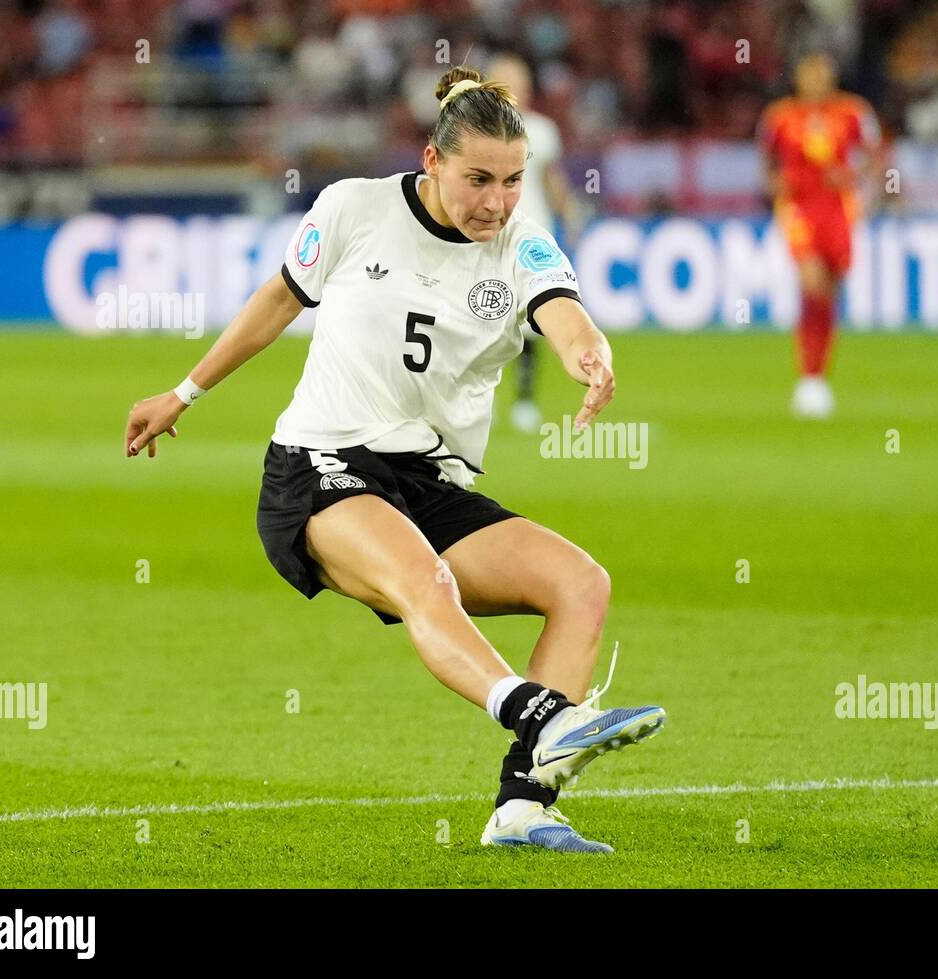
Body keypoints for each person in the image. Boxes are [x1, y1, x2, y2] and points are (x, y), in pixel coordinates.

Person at [123, 65, 667, 854]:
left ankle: (523, 808)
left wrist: (591, 356)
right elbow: (279, 299)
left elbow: (565, 313)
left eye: (513, 181)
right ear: (432, 160)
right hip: (319, 466)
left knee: (581, 584)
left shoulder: (523, 244)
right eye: (478, 179)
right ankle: (545, 717)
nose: (497, 201)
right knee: (425, 582)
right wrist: (184, 391)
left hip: (429, 479)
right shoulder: (354, 208)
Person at [757, 51, 883, 418]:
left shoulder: (854, 112)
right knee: (811, 282)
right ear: (798, 78)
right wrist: (775, 186)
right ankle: (808, 378)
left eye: (821, 73)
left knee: (828, 291)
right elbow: (765, 159)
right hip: (799, 207)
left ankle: (817, 376)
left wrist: (857, 182)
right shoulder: (779, 116)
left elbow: (875, 156)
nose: (815, 80)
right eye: (808, 73)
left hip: (838, 208)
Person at [485, 52, 590, 434]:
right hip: (486, 234)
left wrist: (570, 213)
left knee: (532, 320)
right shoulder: (475, 130)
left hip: (531, 237)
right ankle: (483, 398)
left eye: (519, 82)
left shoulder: (542, 130)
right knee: (484, 316)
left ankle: (525, 401)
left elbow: (551, 179)